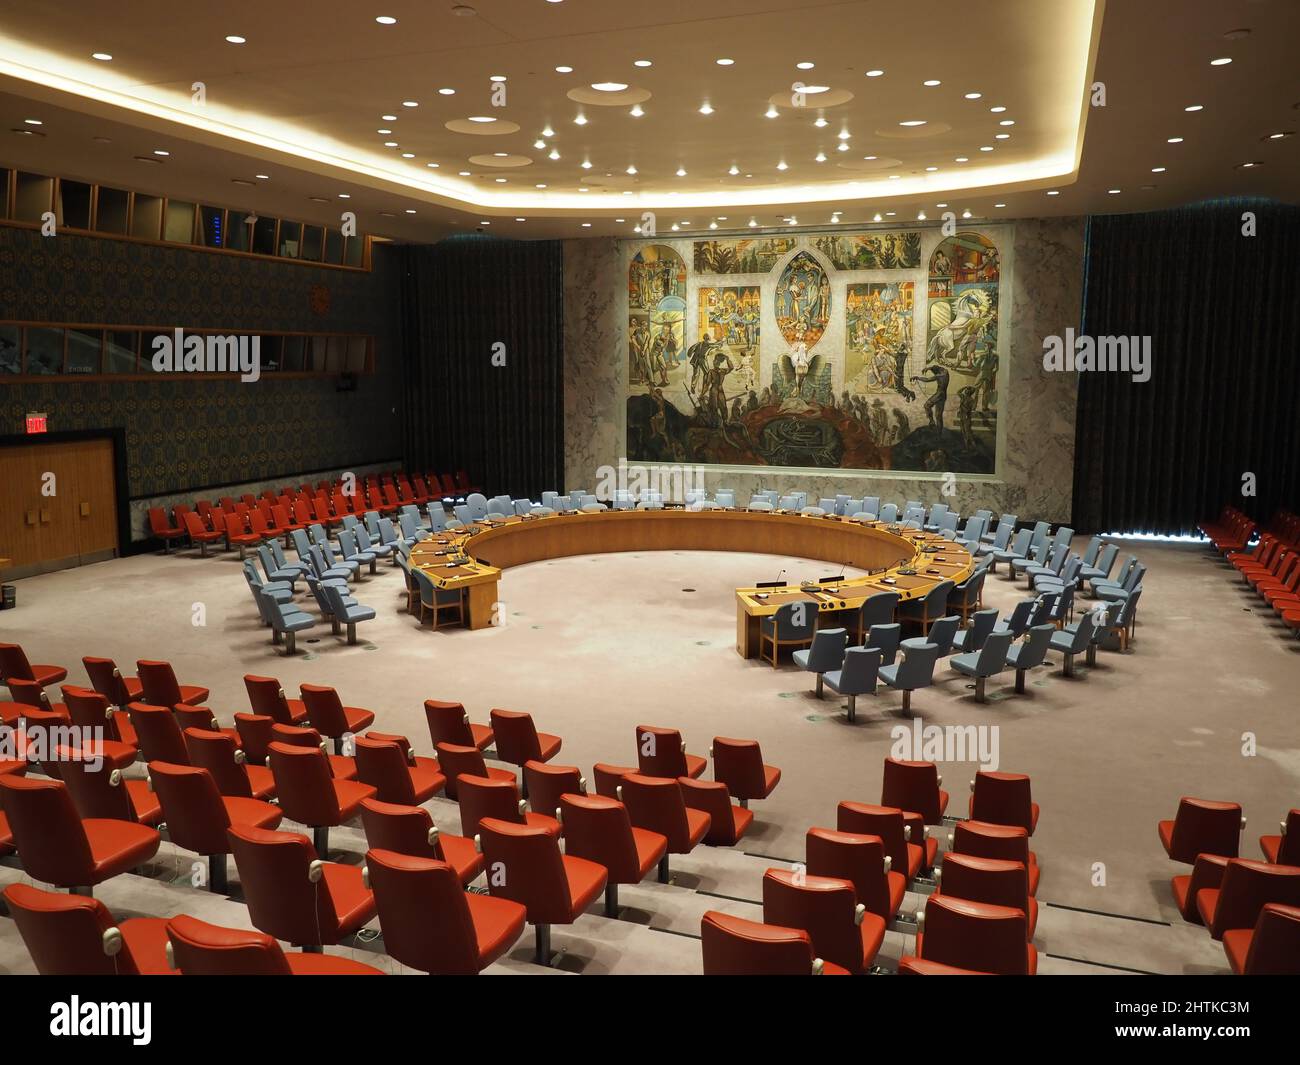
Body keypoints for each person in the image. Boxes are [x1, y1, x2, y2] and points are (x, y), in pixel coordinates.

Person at [911, 363, 950, 430]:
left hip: (939, 394)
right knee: (938, 416)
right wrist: (929, 368)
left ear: (936, 372)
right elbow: (936, 367)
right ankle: (939, 433)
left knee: (927, 405)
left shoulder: (939, 376)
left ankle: (931, 421)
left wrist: (917, 378)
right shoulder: (945, 372)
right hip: (943, 396)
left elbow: (927, 379)